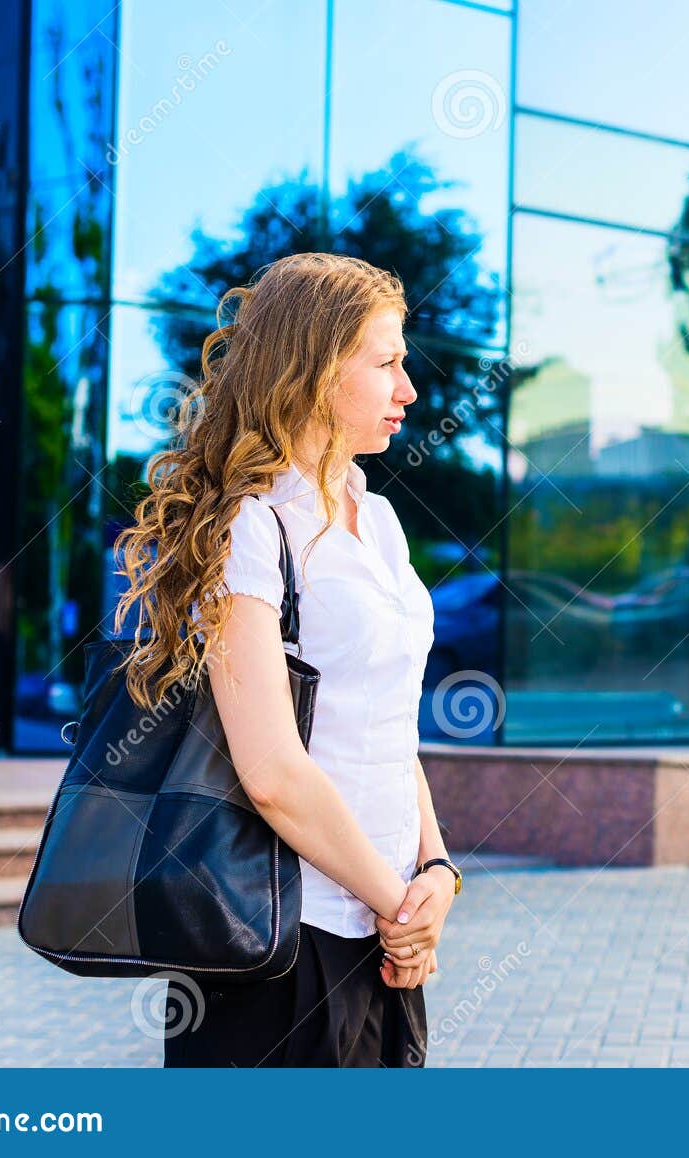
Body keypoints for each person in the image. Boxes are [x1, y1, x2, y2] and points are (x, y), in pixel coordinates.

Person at [114, 252, 462, 1067]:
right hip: (275, 939)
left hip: (379, 936)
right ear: (310, 373)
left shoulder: (377, 521)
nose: (408, 389)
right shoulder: (250, 525)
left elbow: (386, 722)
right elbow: (271, 768)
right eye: (385, 364)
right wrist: (398, 908)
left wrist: (436, 869)